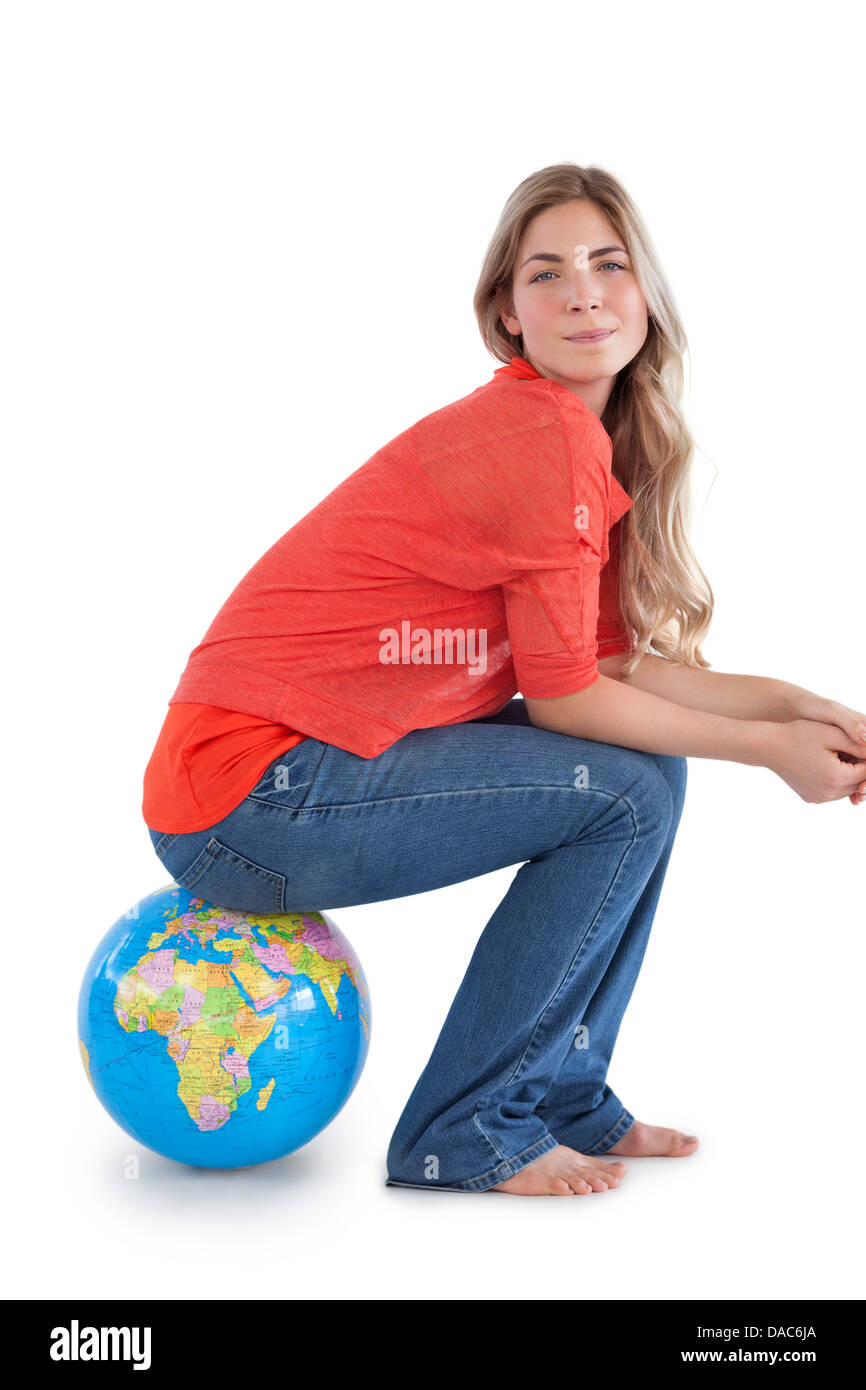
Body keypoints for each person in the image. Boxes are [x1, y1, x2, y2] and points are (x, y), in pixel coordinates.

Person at [142, 163, 866, 1196]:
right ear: (505, 316)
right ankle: (462, 1131)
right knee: (620, 787)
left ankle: (561, 1091)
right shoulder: (539, 433)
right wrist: (768, 755)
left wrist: (804, 709)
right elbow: (571, 703)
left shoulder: (581, 446)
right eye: (546, 273)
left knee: (645, 769)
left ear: (645, 295)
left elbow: (609, 670)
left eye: (607, 264)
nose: (582, 292)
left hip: (284, 780)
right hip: (248, 799)